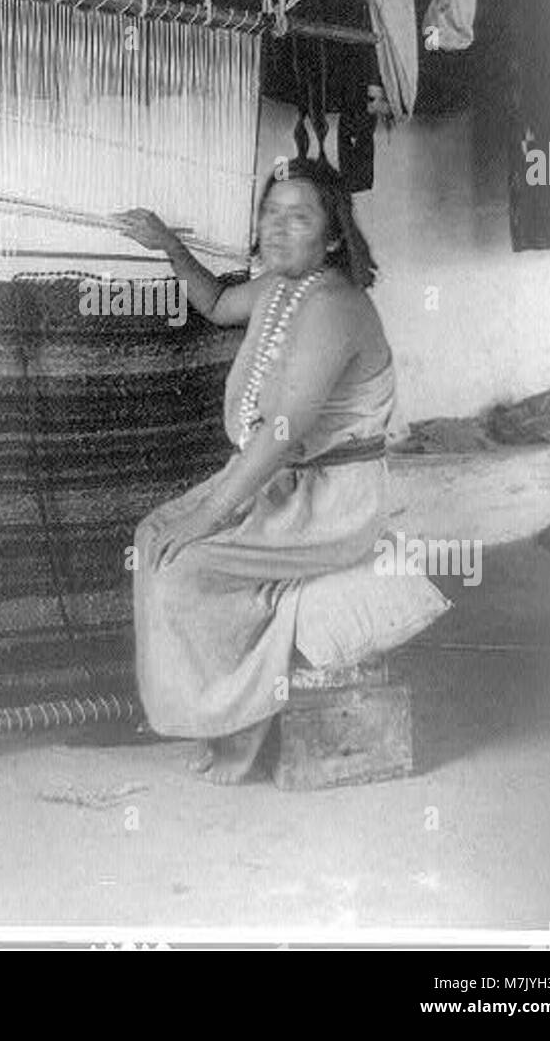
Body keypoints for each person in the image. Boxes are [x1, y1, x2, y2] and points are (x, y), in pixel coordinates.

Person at [113, 156, 400, 784]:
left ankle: (240, 728)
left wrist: (212, 516)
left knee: (183, 560)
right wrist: (168, 244)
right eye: (271, 213)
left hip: (332, 501)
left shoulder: (334, 305)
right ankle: (216, 714)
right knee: (152, 536)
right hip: (282, 482)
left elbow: (281, 433)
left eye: (299, 217)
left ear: (332, 234)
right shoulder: (278, 289)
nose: (277, 228)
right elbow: (215, 302)